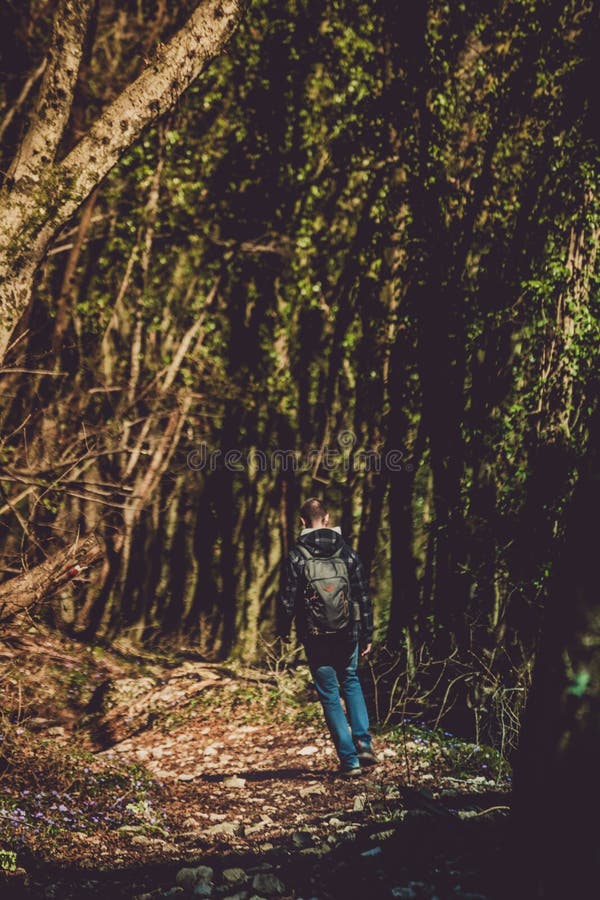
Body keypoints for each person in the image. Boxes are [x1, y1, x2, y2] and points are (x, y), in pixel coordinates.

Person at [277, 497, 376, 776]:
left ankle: (349, 761)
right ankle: (363, 743)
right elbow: (362, 595)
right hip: (348, 632)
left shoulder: (297, 555)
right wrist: (367, 632)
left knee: (330, 695)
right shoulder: (347, 553)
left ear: (302, 521)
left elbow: (287, 599)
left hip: (315, 634)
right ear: (328, 518)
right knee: (352, 680)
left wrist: (283, 631)